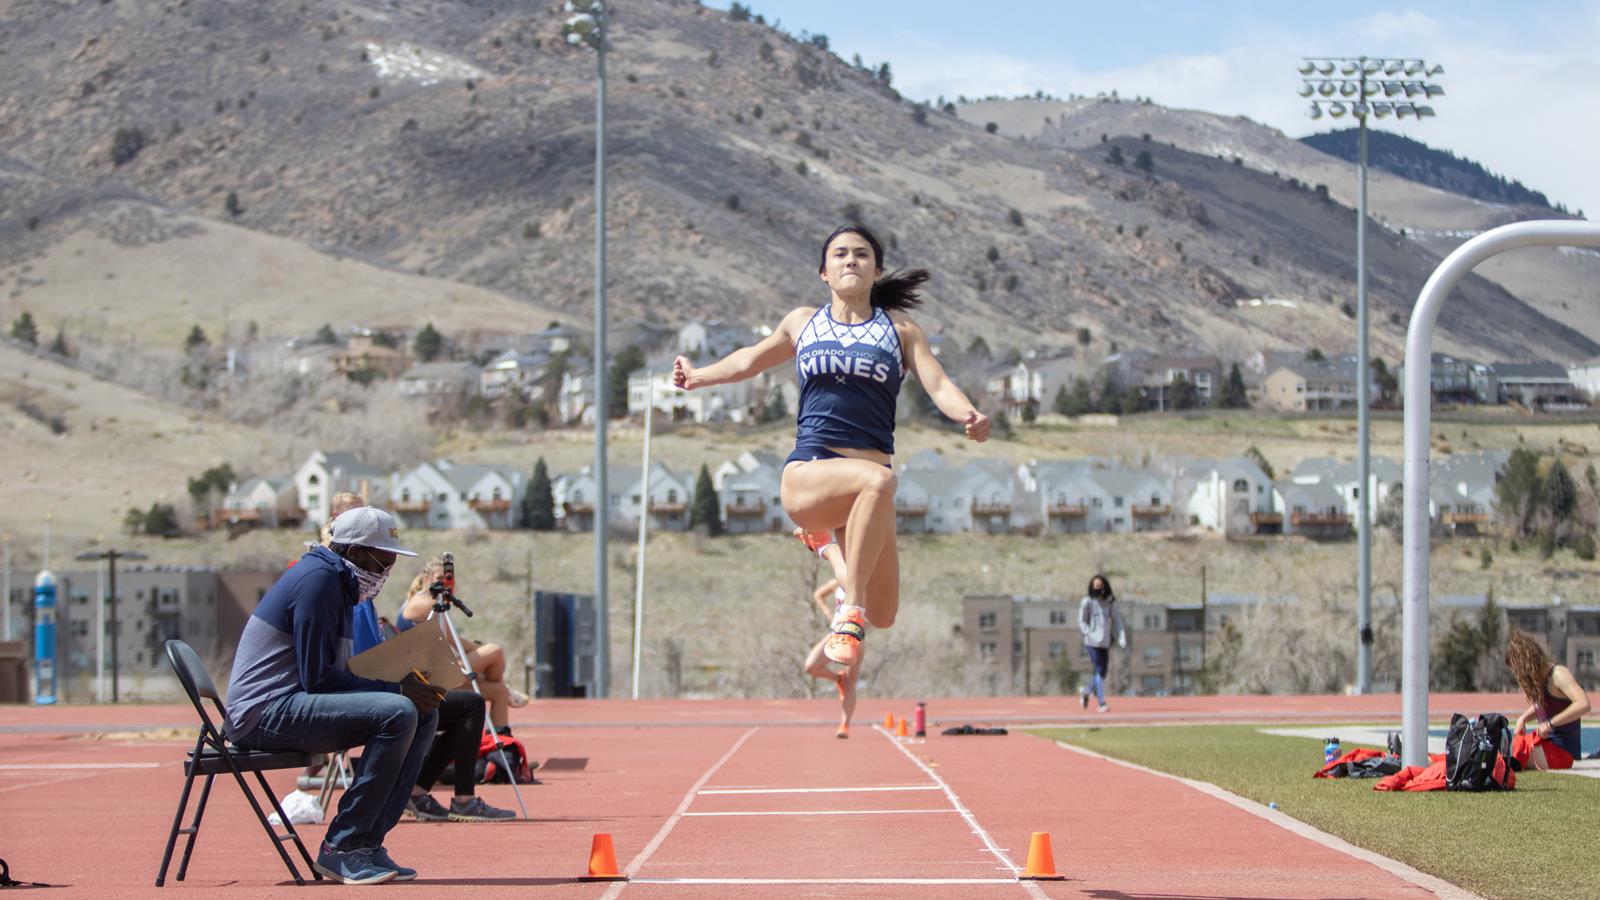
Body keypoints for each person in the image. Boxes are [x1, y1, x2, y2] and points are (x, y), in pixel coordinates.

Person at [674, 224, 988, 666]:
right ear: (824, 271)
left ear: (876, 270)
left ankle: (828, 549)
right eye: (839, 254)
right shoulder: (804, 322)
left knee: (886, 613)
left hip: (865, 492)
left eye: (861, 254)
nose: (850, 261)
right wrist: (697, 376)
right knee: (880, 487)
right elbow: (749, 360)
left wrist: (969, 414)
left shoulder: (900, 331)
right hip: (811, 473)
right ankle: (848, 610)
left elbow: (939, 386)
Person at [224, 506, 446, 884]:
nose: (388, 570)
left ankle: (366, 844)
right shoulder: (318, 582)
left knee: (424, 712)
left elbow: (329, 674)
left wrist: (400, 678)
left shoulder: (338, 584)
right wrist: (395, 688)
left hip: (288, 703)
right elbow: (318, 680)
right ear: (357, 552)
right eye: (385, 559)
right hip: (264, 713)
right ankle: (342, 847)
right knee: (399, 712)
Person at [349, 596, 515, 823]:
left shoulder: (363, 603)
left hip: (390, 687)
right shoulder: (361, 605)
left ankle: (419, 792)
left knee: (470, 703)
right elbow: (364, 662)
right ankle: (461, 800)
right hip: (377, 697)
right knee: (471, 704)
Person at [396, 558, 530, 734]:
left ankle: (501, 750)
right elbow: (459, 644)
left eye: (447, 579)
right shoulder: (425, 603)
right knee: (494, 651)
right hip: (425, 680)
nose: (443, 583)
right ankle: (501, 684)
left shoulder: (428, 602)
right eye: (438, 578)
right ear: (426, 578)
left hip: (436, 673)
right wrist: (481, 650)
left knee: (499, 691)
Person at [796, 528, 862, 738]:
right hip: (836, 632)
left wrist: (861, 625)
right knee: (811, 666)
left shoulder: (863, 581)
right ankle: (837, 679)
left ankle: (845, 725)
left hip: (855, 634)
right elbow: (818, 595)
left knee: (852, 683)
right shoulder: (840, 579)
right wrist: (829, 615)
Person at [1506, 629, 1590, 766]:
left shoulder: (1558, 675)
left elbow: (1583, 704)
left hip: (1563, 753)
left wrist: (1550, 724)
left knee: (1514, 756)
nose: (1517, 677)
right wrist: (1523, 719)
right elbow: (1543, 705)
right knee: (1512, 746)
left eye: (1517, 671)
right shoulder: (1541, 680)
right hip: (1546, 746)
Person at [1077, 573, 1125, 713]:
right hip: (1091, 642)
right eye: (1096, 585)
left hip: (1105, 642)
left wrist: (1122, 636)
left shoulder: (1109, 603)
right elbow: (1081, 621)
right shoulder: (1087, 602)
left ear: (1105, 586)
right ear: (1092, 587)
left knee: (1102, 674)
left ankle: (1086, 691)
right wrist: (1089, 632)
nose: (1098, 588)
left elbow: (1118, 621)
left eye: (1101, 585)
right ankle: (1101, 703)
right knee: (1099, 669)